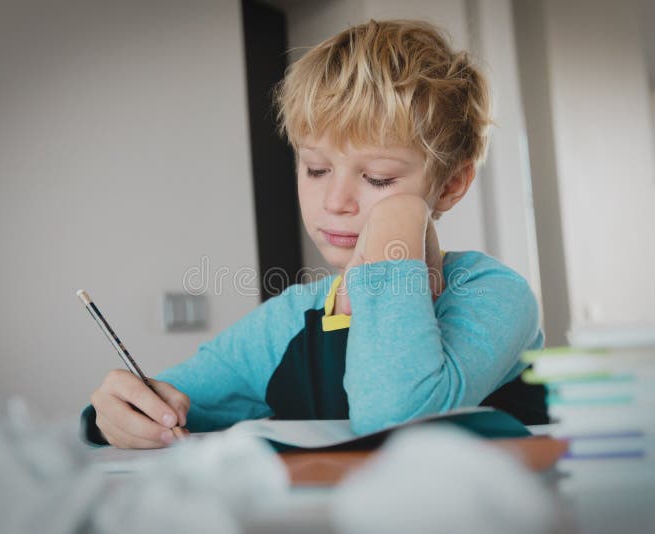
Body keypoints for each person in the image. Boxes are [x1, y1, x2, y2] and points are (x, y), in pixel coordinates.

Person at [82, 19, 546, 449]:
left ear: (450, 185)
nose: (334, 202)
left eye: (379, 178)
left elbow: (396, 418)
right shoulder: (288, 321)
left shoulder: (495, 297)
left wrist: (396, 224)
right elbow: (166, 402)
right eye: (316, 168)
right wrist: (116, 412)